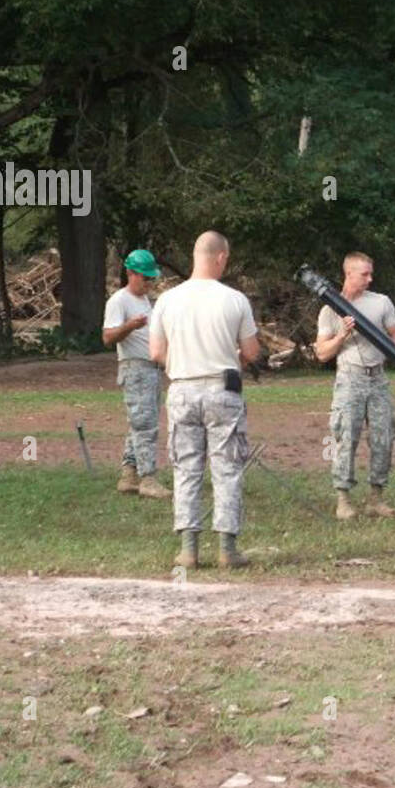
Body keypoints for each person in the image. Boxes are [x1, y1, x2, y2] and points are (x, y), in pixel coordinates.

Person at [148, 231, 261, 569]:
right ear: (221, 257)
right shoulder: (235, 300)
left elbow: (156, 352)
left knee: (186, 467)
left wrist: (184, 363)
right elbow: (252, 351)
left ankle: (188, 549)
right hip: (222, 390)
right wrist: (231, 358)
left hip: (182, 388)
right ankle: (227, 549)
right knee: (227, 467)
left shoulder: (167, 300)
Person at [314, 251, 395, 520]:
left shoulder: (381, 302)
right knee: (345, 436)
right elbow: (322, 353)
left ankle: (376, 499)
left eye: (370, 273)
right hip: (349, 378)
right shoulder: (330, 309)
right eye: (364, 274)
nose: (370, 279)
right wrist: (341, 335)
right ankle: (343, 501)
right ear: (349, 274)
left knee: (384, 435)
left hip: (378, 378)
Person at [101, 249, 171, 499]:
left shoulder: (144, 301)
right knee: (145, 426)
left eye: (151, 278)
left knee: (140, 422)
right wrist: (130, 326)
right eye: (145, 277)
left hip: (151, 368)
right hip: (135, 368)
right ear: (130, 273)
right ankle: (148, 478)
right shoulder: (119, 301)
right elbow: (108, 337)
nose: (149, 282)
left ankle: (129, 475)